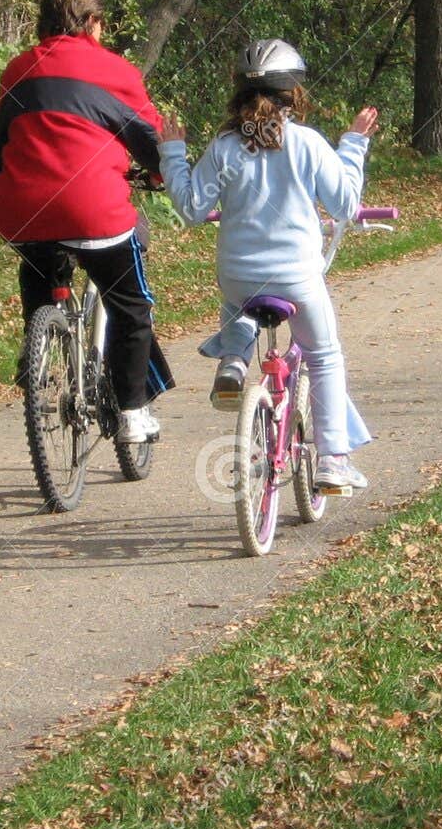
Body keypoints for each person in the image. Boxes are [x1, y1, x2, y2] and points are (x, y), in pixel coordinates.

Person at [158, 39, 380, 496]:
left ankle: (233, 360)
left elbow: (192, 208)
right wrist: (354, 145)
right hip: (297, 278)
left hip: (238, 277)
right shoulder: (308, 144)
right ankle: (333, 460)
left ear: (238, 94)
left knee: (237, 300)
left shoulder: (224, 148)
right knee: (323, 356)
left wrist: (173, 152)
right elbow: (344, 205)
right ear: (294, 94)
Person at [0, 0, 174, 445]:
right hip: (93, 211)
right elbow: (152, 143)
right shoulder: (114, 70)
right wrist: (160, 175)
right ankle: (132, 411)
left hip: (20, 211)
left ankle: (37, 345)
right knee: (131, 305)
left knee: (40, 256)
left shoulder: (17, 69)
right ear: (91, 22)